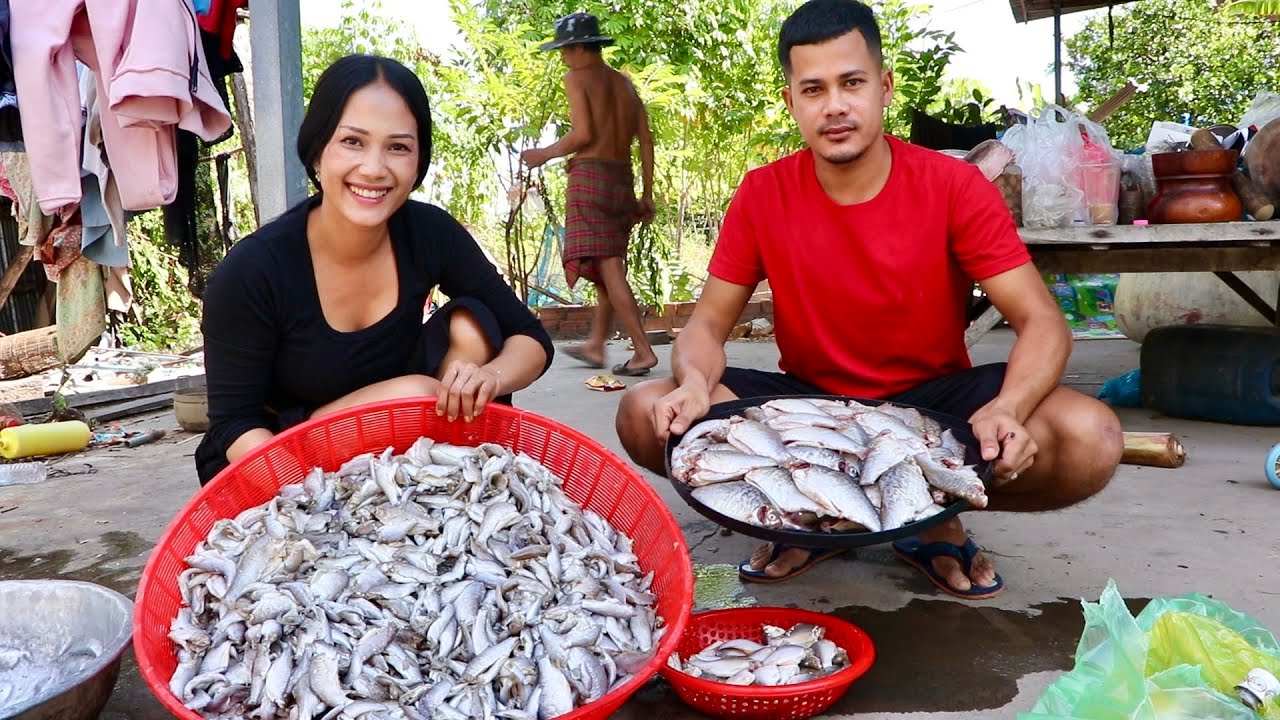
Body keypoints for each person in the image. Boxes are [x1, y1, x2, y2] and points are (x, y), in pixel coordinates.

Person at [613, 0, 1124, 599]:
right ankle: (801, 511)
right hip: (807, 408)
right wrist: (696, 382)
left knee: (1091, 436)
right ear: (792, 102)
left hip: (934, 404)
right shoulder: (762, 193)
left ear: (883, 87)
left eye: (852, 83)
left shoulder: (954, 186)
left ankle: (933, 519)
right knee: (646, 409)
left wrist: (1009, 406)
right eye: (814, 89)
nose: (834, 105)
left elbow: (1043, 323)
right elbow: (706, 326)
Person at [194, 54, 554, 486]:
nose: (374, 168)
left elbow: (531, 339)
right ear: (316, 151)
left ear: (418, 162)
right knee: (420, 394)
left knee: (471, 325)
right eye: (352, 142)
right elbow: (235, 423)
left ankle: (436, 475)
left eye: (398, 147)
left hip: (395, 430)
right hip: (281, 453)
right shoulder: (252, 271)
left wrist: (487, 380)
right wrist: (308, 499)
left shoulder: (429, 232)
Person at [521, 12, 659, 377]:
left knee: (609, 266)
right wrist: (647, 192)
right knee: (605, 267)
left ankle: (643, 351)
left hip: (591, 179)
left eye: (566, 48)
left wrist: (543, 154)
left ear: (583, 47)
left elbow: (582, 134)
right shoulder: (625, 85)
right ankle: (596, 345)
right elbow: (645, 140)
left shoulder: (577, 78)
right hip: (622, 180)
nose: (563, 56)